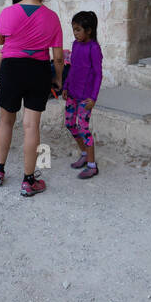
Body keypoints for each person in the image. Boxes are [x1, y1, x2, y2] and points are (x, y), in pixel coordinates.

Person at [0, 0, 64, 196]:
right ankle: (28, 181)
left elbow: (1, 40)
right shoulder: (52, 17)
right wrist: (57, 78)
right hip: (38, 70)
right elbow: (58, 56)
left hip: (11, 69)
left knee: (6, 121)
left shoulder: (8, 12)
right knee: (31, 126)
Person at [63, 11, 103, 179]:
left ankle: (92, 165)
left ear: (89, 31)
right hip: (72, 93)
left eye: (78, 29)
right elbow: (72, 68)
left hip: (85, 97)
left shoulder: (94, 48)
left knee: (83, 128)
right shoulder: (75, 45)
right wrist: (65, 86)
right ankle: (84, 153)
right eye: (74, 29)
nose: (75, 33)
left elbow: (98, 74)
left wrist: (93, 98)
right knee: (70, 124)